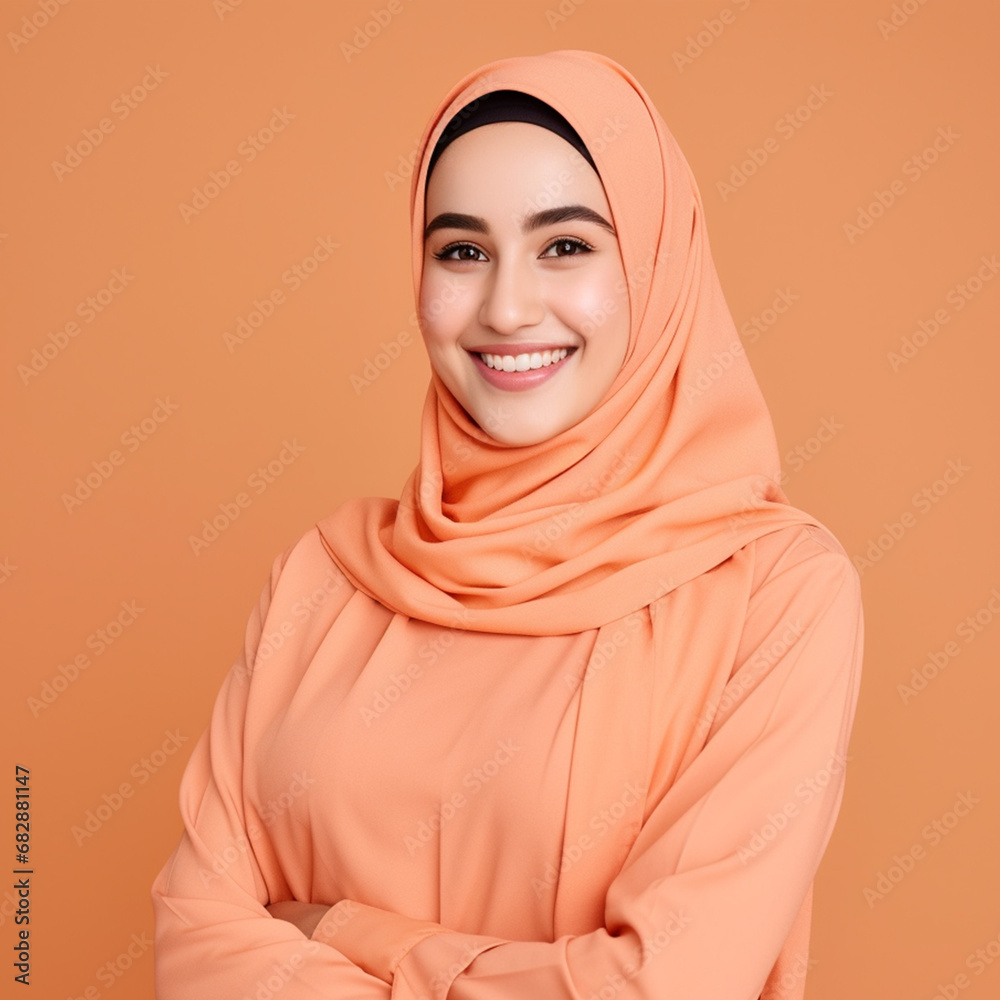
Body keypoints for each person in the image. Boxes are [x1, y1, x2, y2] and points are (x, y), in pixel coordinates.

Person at [151, 49, 864, 999]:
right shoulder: (322, 580)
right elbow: (195, 944)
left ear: (657, 264)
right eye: (463, 251)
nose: (509, 307)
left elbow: (658, 987)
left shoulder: (774, 595)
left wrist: (350, 935)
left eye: (564, 246)